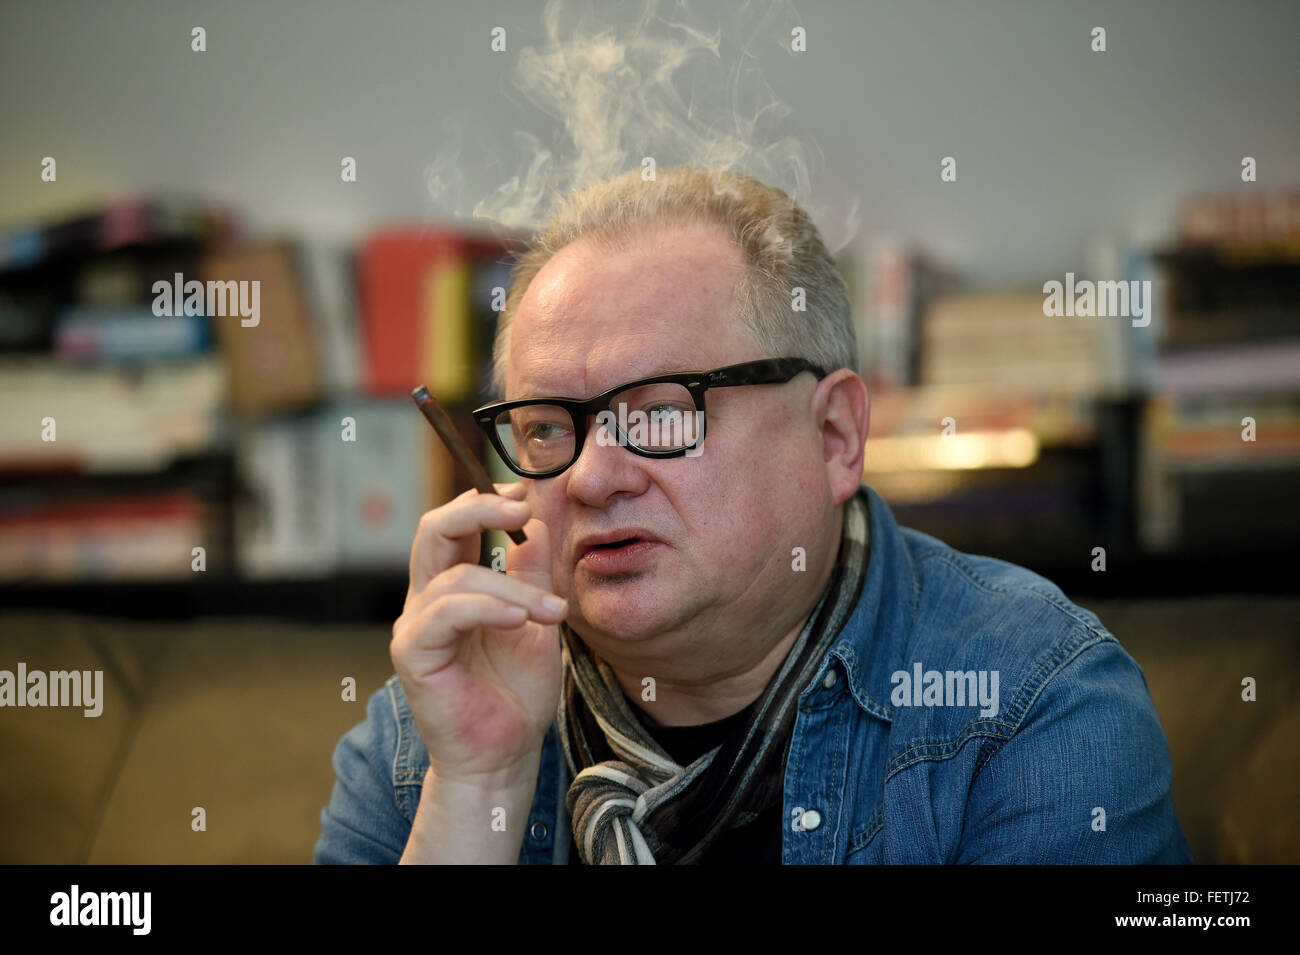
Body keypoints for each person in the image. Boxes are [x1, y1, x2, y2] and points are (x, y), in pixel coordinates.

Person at [313, 165, 1192, 864]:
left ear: (836, 436)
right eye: (547, 427)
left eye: (659, 411)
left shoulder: (1030, 702)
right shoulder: (429, 730)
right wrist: (477, 789)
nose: (589, 477)